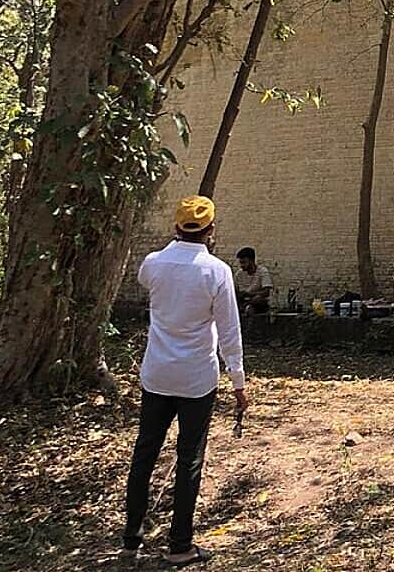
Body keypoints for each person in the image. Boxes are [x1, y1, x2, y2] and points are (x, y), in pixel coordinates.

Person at [123, 195, 247, 567]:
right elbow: (229, 331)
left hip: (157, 374)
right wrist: (238, 381)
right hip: (196, 379)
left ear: (176, 226)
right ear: (211, 230)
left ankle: (131, 539)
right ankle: (180, 545)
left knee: (144, 452)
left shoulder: (153, 264)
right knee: (189, 458)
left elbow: (151, 280)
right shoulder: (217, 272)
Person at [235, 246, 273, 315]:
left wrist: (249, 294)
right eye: (241, 263)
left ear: (251, 261)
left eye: (244, 262)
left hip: (257, 303)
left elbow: (266, 292)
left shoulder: (262, 271)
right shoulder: (239, 274)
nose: (241, 265)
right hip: (243, 301)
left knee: (258, 299)